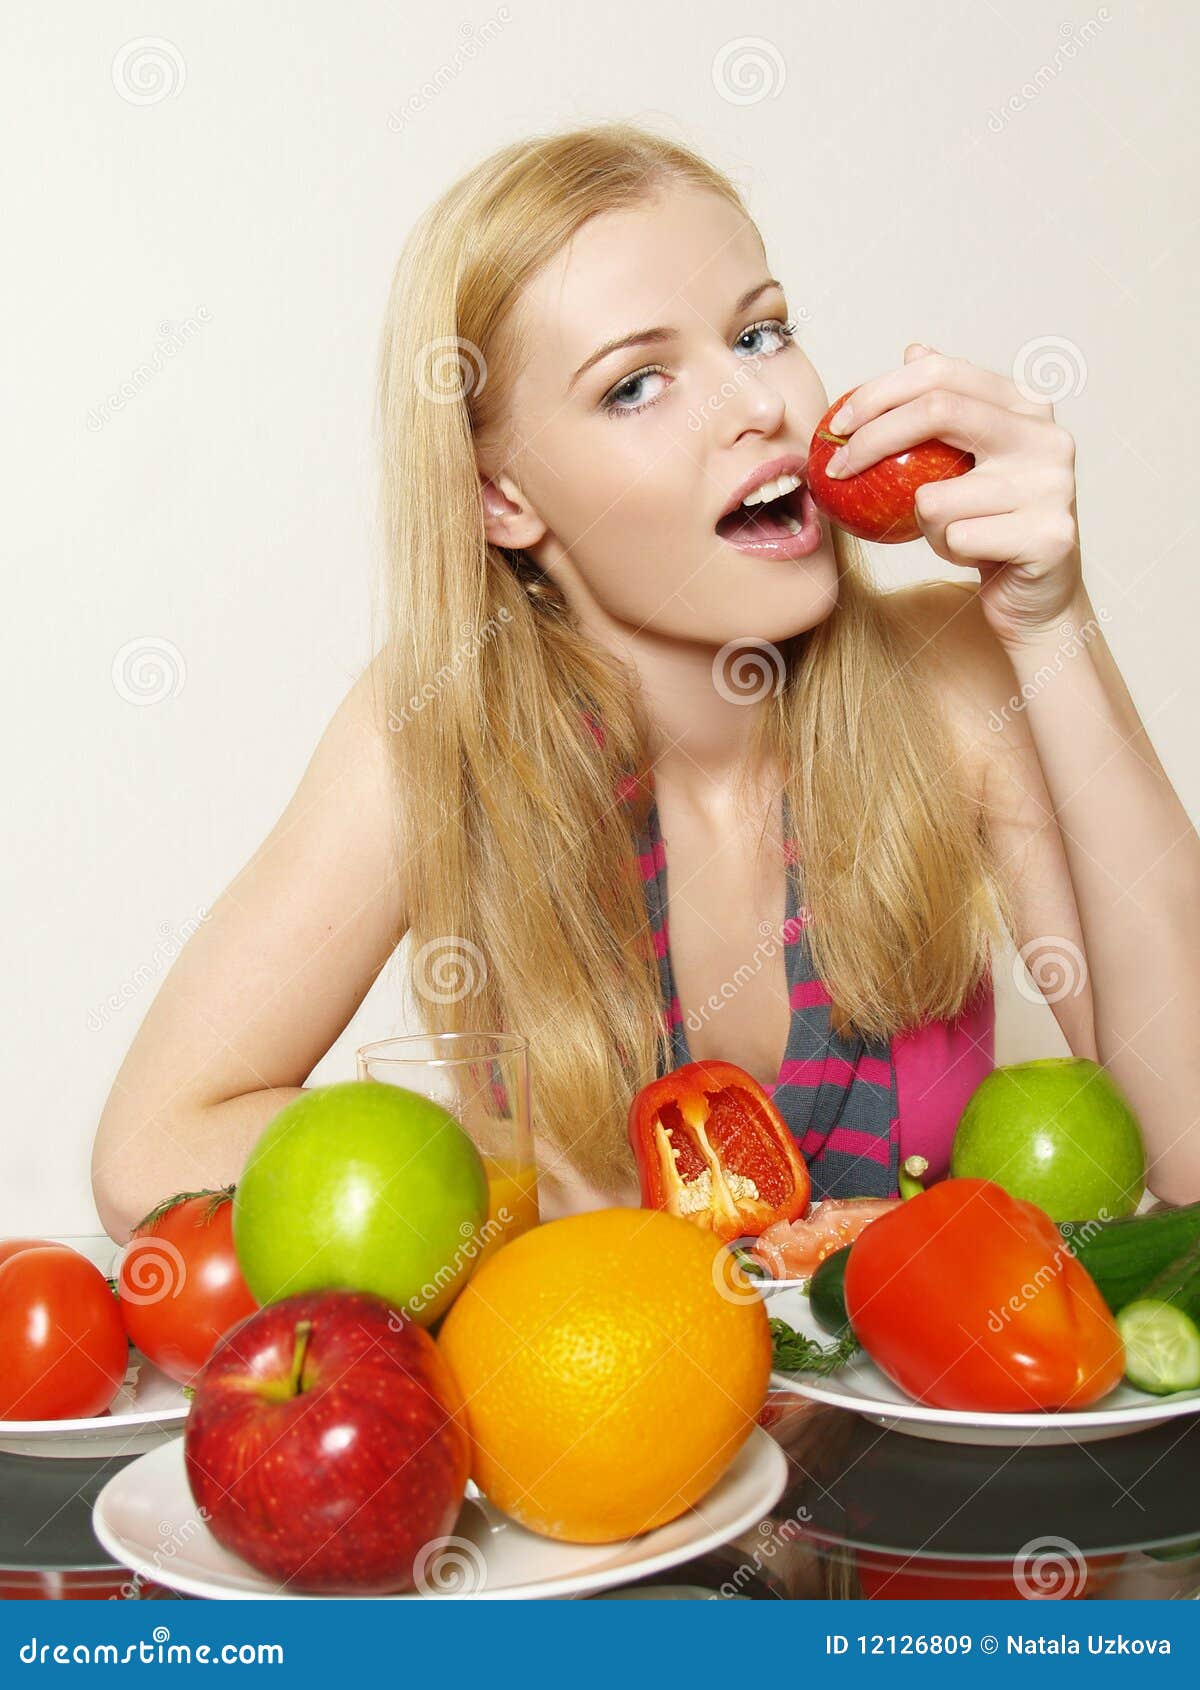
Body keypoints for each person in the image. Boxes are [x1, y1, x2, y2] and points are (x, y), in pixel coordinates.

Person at [91, 121, 1200, 1241]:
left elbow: (1190, 1149)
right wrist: (503, 1176)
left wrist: (1051, 620)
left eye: (760, 333)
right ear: (502, 499)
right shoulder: (440, 731)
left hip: (920, 1413)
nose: (758, 406)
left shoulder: (954, 680)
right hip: (605, 1405)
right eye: (636, 385)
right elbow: (154, 1146)